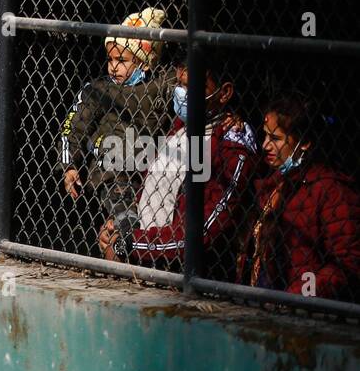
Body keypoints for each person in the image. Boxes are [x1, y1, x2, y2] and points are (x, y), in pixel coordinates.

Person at [97, 56, 259, 280]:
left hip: (179, 276)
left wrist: (133, 245)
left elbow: (201, 232)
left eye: (192, 87)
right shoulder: (179, 126)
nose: (182, 93)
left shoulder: (231, 148)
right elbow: (150, 188)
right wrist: (122, 223)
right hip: (144, 260)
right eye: (180, 85)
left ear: (224, 93)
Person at [60, 7, 177, 235]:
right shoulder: (100, 89)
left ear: (144, 63)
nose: (113, 66)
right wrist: (69, 165)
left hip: (150, 158)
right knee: (113, 167)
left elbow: (183, 80)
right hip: (113, 163)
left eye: (121, 60)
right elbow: (75, 126)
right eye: (110, 59)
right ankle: (125, 216)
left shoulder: (159, 85)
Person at [239, 94, 360, 300]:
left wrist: (297, 295)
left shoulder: (330, 189)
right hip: (264, 300)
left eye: (275, 139)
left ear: (304, 143)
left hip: (304, 309)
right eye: (265, 136)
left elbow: (348, 263)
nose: (266, 145)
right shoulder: (273, 183)